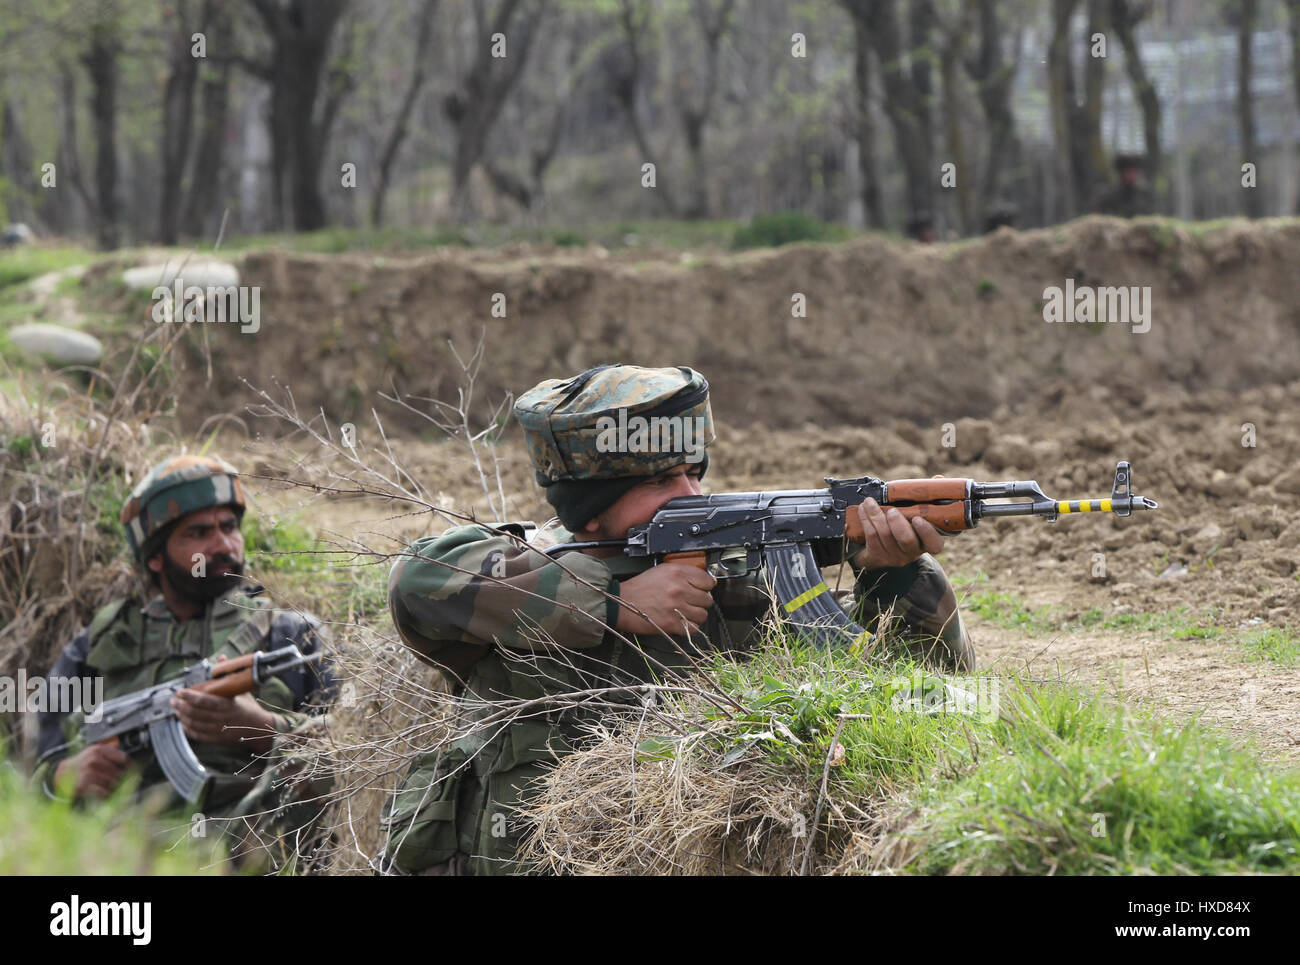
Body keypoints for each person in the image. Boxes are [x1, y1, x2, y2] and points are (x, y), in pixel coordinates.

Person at [383, 365, 974, 875]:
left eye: (695, 472)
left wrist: (894, 577)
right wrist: (616, 605)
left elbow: (933, 701)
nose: (691, 493)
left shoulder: (740, 588)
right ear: (589, 508)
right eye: (660, 481)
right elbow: (416, 582)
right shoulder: (530, 567)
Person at [33, 454, 334, 868]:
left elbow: (361, 753)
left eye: (229, 527)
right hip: (122, 847)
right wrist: (63, 776)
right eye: (199, 532)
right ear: (156, 556)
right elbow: (32, 764)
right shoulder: (95, 649)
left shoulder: (293, 635)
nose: (223, 544)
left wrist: (267, 730)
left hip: (257, 842)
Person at [1092, 154, 1153, 218]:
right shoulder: (1107, 194)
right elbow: (1097, 216)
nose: (1132, 175)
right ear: (1121, 172)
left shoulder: (1144, 194)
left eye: (1135, 171)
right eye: (1129, 171)